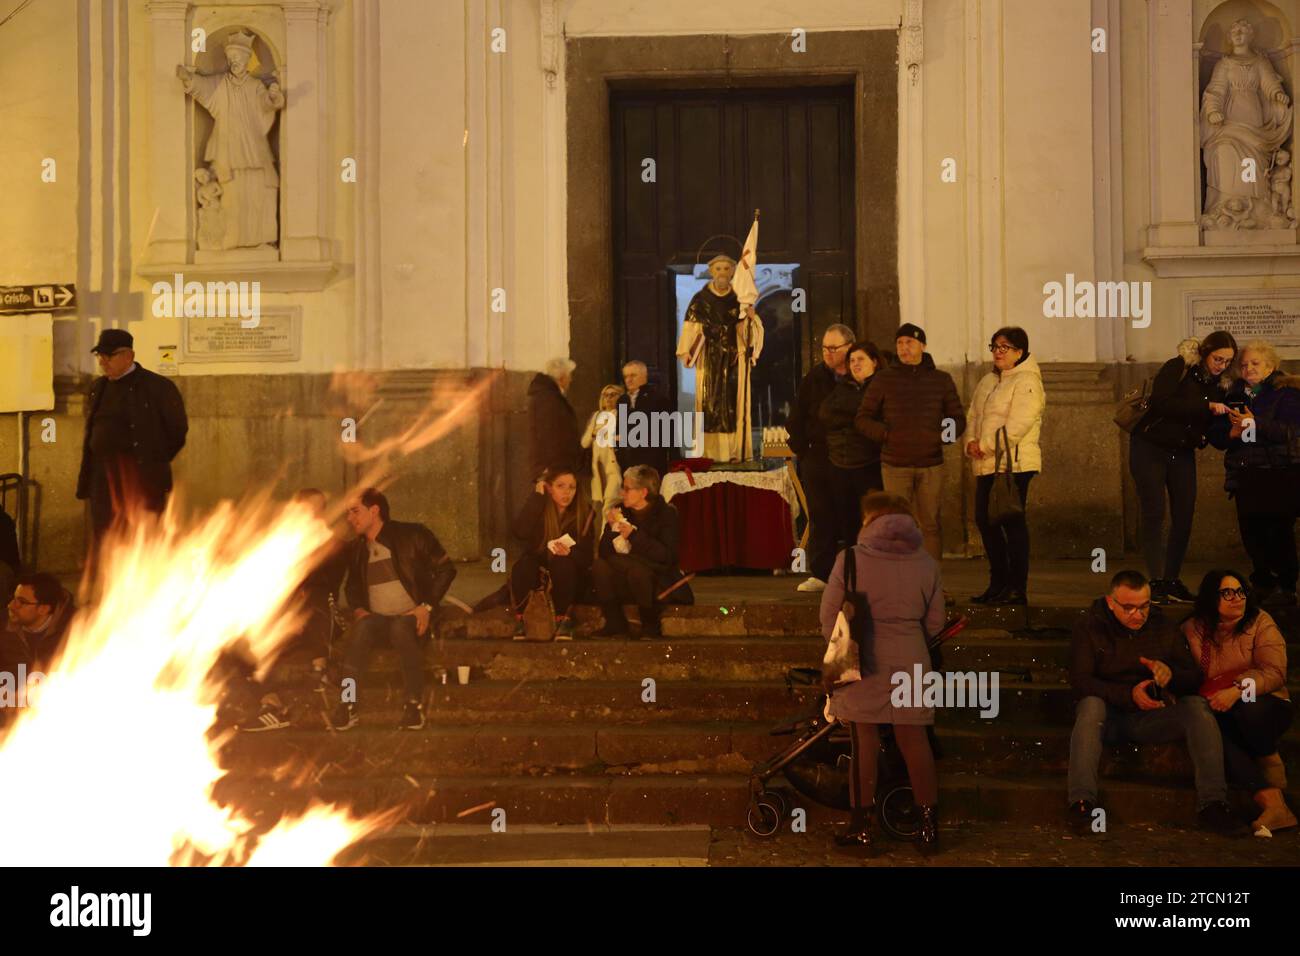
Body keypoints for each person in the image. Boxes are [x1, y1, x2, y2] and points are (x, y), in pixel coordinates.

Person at [1067, 570, 1246, 836]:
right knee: (1091, 705)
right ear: (1110, 602)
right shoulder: (1090, 626)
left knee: (1196, 707)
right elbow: (1080, 680)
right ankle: (1081, 803)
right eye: (1128, 608)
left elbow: (1193, 677)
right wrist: (1129, 694)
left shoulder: (1161, 625)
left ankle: (1213, 804)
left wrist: (1170, 676)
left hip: (1150, 716)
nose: (1137, 615)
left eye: (1144, 606)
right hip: (1108, 716)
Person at [819, 492, 944, 855]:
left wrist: (843, 650)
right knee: (914, 742)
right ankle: (928, 828)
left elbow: (829, 616)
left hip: (863, 658)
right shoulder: (927, 562)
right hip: (912, 659)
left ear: (870, 520)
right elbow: (935, 622)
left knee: (865, 744)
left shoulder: (851, 559)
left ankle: (862, 827)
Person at [331, 489, 457, 732]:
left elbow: (446, 569)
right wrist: (358, 609)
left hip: (412, 618)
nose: (349, 518)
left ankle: (413, 706)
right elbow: (353, 586)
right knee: (363, 628)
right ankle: (347, 705)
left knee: (400, 627)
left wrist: (426, 607)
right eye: (347, 513)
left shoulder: (412, 534)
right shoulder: (357, 549)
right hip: (378, 621)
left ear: (374, 510)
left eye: (355, 511)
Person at [1180, 571, 1296, 833]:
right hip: (1219, 710)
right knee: (1217, 736)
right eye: (1227, 593)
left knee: (1246, 707)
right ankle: (1275, 805)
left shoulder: (1260, 622)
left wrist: (1237, 689)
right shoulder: (1193, 629)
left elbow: (1275, 672)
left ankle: (1269, 758)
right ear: (1212, 598)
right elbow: (1181, 672)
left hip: (1266, 703)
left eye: (1241, 591)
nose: (1237, 598)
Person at [1129, 332, 1236, 605]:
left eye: (1227, 362)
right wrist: (1205, 406)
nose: (1221, 366)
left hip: (1182, 452)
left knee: (1184, 515)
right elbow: (1161, 401)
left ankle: (1172, 579)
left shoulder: (1221, 384)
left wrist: (1232, 433)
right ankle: (1155, 580)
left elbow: (1214, 428)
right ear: (1205, 353)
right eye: (1217, 359)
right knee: (1154, 513)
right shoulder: (1178, 366)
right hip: (1150, 446)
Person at [238, 489, 348, 732]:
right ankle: (271, 706)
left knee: (315, 599)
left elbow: (326, 586)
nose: (313, 515)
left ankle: (321, 670)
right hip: (287, 623)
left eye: (318, 508)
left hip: (321, 620)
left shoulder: (334, 545)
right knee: (251, 640)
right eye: (307, 509)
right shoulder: (281, 543)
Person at [855, 323, 966, 563]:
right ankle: (899, 582)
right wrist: (886, 434)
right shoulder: (884, 379)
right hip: (895, 465)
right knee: (895, 525)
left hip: (931, 464)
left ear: (922, 346)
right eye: (900, 343)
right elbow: (863, 418)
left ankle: (931, 583)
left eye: (910, 342)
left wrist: (939, 438)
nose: (904, 348)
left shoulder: (941, 380)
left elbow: (957, 418)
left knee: (930, 525)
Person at [1207, 341, 1300, 607]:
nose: (1248, 369)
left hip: (1278, 472)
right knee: (1252, 532)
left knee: (1278, 530)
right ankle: (1262, 582)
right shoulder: (1234, 393)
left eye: (1255, 363)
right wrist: (1230, 433)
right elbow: (1216, 434)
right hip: (1246, 473)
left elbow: (1289, 431)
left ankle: (1286, 584)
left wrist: (1256, 423)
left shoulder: (1287, 392)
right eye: (1244, 364)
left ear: (1271, 365)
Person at [76, 329, 189, 546]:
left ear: (129, 356)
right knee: (106, 539)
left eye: (109, 356)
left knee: (144, 538)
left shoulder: (158, 387)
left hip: (141, 478)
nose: (102, 362)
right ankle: (109, 579)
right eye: (100, 356)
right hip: (103, 480)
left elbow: (177, 430)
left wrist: (154, 459)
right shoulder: (98, 387)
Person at [962, 327, 1045, 606]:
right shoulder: (988, 380)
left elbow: (1019, 423)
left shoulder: (1027, 381)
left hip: (1015, 463)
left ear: (1019, 352)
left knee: (1011, 521)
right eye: (995, 346)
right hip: (986, 462)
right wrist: (971, 440)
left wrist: (985, 445)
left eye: (1005, 347)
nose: (998, 352)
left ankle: (1016, 587)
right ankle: (997, 584)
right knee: (985, 520)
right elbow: (974, 414)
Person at [787, 323, 856, 592]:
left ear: (849, 347)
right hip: (817, 456)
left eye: (833, 348)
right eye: (824, 348)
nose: (827, 353)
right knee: (820, 514)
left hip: (850, 458)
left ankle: (854, 573)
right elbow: (797, 417)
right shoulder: (814, 377)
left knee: (851, 515)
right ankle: (822, 572)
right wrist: (803, 449)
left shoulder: (858, 375)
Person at [675, 256, 764, 461]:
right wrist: (695, 345)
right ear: (712, 271)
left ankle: (735, 452)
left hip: (734, 360)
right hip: (710, 361)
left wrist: (751, 319)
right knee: (710, 406)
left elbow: (751, 335)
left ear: (733, 272)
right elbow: (690, 332)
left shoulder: (741, 299)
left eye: (726, 268)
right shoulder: (700, 300)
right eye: (718, 268)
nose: (722, 272)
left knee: (734, 406)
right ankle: (710, 453)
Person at [591, 465, 694, 639]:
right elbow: (604, 552)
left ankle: (650, 624)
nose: (622, 492)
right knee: (599, 566)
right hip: (624, 576)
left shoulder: (666, 514)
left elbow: (666, 556)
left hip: (655, 581)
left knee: (637, 571)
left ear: (643, 492)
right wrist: (612, 528)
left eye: (627, 488)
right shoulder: (621, 510)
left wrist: (634, 536)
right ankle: (615, 622)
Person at [508, 467, 596, 640]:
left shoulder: (584, 513)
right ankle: (522, 620)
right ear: (549, 488)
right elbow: (520, 532)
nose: (567, 492)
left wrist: (570, 553)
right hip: (541, 571)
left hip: (571, 575)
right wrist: (537, 498)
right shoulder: (539, 507)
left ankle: (564, 620)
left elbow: (587, 557)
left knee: (563, 564)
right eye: (560, 486)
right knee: (523, 566)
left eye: (572, 487)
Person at [818, 340, 883, 552]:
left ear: (874, 362)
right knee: (848, 525)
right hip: (840, 463)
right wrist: (856, 418)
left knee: (873, 521)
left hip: (869, 463)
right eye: (852, 360)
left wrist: (853, 417)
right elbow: (825, 414)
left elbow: (873, 419)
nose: (855, 364)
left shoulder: (881, 386)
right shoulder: (842, 387)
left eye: (861, 359)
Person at [526, 357, 584, 483]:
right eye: (569, 376)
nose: (571, 380)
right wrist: (553, 471)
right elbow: (550, 437)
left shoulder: (546, 397)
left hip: (552, 471)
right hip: (555, 472)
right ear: (562, 378)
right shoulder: (550, 400)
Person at [5, 573, 76, 671]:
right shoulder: (3, 627)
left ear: (43, 609)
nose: (10, 605)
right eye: (13, 598)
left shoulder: (75, 631)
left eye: (21, 602)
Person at [615, 361, 674, 476]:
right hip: (627, 462)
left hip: (650, 461)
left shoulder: (658, 399)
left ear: (644, 376)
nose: (628, 380)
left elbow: (666, 434)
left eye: (633, 375)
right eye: (626, 376)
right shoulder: (622, 400)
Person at [582, 384, 625, 513]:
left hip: (614, 467)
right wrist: (593, 433)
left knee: (609, 505)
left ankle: (604, 533)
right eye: (605, 395)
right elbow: (585, 443)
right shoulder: (596, 416)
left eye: (612, 395)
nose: (608, 398)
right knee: (601, 506)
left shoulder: (622, 415)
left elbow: (623, 438)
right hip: (598, 468)